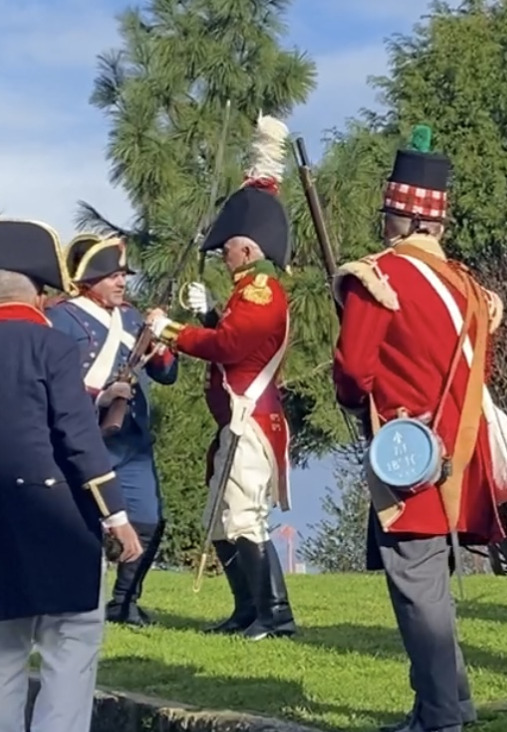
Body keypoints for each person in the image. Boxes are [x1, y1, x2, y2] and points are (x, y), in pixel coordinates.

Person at [331, 125, 507, 732]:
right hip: (462, 459)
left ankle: (440, 716)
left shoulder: (378, 278)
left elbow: (352, 372)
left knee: (418, 591)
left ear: (399, 216)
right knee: (430, 587)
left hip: (408, 458)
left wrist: (360, 404)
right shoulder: (470, 288)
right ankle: (449, 703)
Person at [0, 218, 143, 732]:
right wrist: (118, 516)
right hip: (57, 528)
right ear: (40, 297)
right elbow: (78, 439)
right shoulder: (55, 348)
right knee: (70, 652)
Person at [145, 114, 297, 641]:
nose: (222, 250)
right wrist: (208, 316)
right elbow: (230, 341)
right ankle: (247, 610)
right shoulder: (244, 291)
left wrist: (172, 331)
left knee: (243, 516)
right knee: (222, 515)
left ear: (249, 248)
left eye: (229, 244)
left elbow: (231, 347)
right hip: (235, 419)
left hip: (250, 419)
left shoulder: (260, 292)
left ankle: (275, 615)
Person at [47, 233, 179, 627]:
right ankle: (74, 599)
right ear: (87, 280)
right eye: (111, 275)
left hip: (132, 439)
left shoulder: (134, 318)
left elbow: (167, 373)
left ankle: (124, 601)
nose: (121, 282)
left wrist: (162, 336)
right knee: (78, 522)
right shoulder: (60, 317)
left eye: (123, 274)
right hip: (83, 434)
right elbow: (52, 379)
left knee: (147, 518)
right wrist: (100, 395)